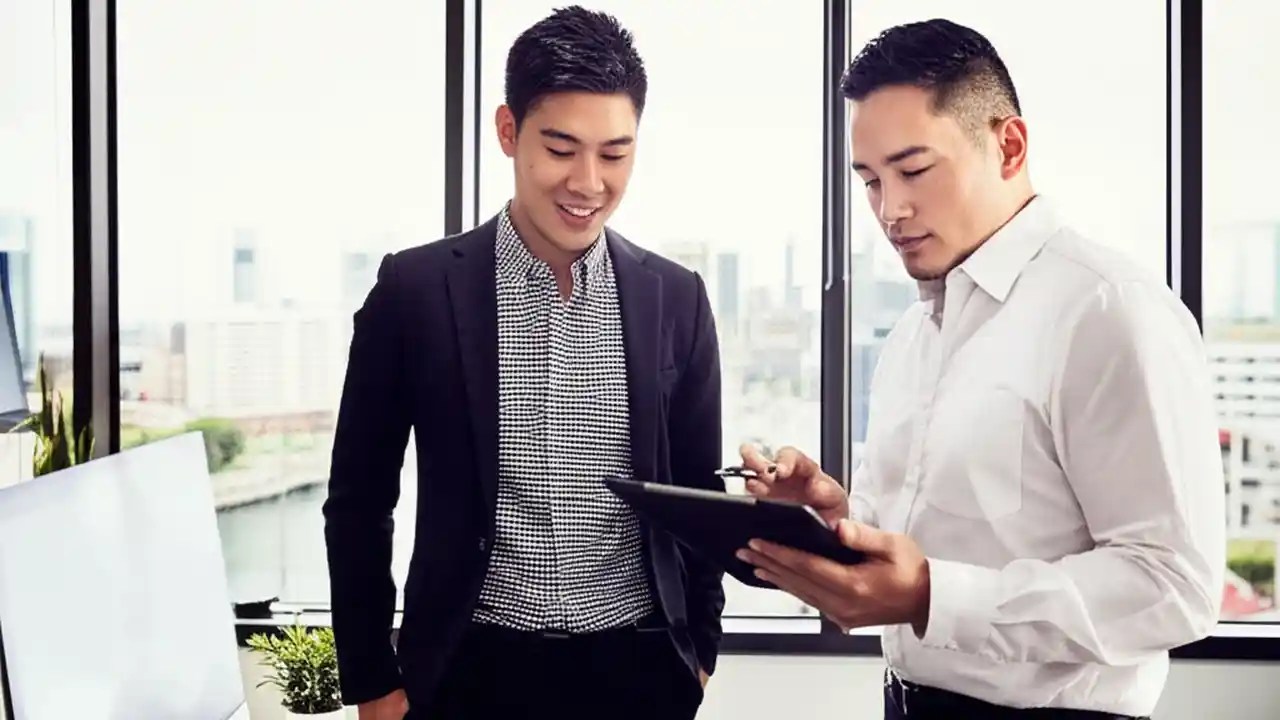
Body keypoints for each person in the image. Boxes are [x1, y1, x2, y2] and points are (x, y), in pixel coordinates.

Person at [735, 18, 1225, 720]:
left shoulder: (1108, 310)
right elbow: (929, 536)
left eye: (914, 170)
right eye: (870, 180)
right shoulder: (911, 332)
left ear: (1009, 145)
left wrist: (932, 595)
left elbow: (1175, 583)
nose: (890, 210)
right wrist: (835, 519)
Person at [322, 6, 724, 719]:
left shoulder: (678, 297)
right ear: (509, 132)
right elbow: (359, 498)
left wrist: (698, 653)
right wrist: (372, 682)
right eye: (561, 148)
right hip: (471, 670)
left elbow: (698, 493)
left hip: (637, 669)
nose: (588, 182)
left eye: (615, 152)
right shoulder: (414, 291)